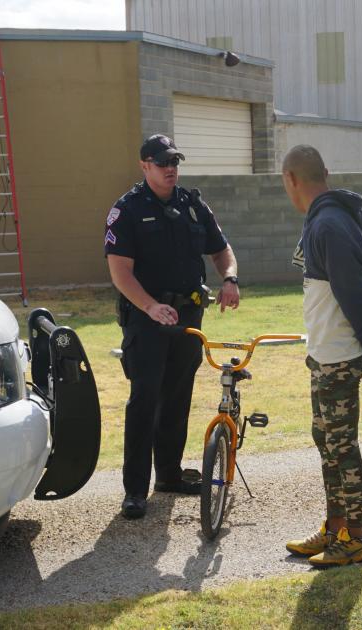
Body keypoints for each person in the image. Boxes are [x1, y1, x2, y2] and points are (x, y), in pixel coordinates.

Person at [104, 133, 241, 520]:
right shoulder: (127, 210)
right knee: (144, 400)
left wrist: (229, 279)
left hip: (187, 318)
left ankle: (168, 475)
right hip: (146, 321)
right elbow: (120, 272)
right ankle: (135, 491)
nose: (170, 169)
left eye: (175, 162)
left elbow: (221, 249)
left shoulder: (192, 204)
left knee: (178, 397)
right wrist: (150, 307)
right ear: (144, 165)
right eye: (162, 163)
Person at [279, 144, 362, 567]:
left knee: (343, 449)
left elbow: (359, 294)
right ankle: (335, 528)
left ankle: (357, 538)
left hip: (341, 355)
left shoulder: (328, 224)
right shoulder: (321, 220)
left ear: (291, 179)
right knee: (326, 442)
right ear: (323, 171)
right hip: (323, 354)